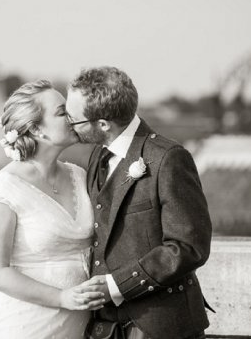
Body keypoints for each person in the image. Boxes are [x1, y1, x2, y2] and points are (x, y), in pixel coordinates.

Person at [65, 67, 213, 339]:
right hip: (104, 327)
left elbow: (189, 246)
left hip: (161, 326)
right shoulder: (98, 154)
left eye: (74, 120)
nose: (69, 125)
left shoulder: (168, 158)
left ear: (103, 124)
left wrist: (117, 285)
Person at [0, 79, 104, 338]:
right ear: (36, 129)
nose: (73, 117)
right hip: (23, 325)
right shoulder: (1, 188)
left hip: (76, 328)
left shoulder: (79, 176)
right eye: (61, 112)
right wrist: (62, 297)